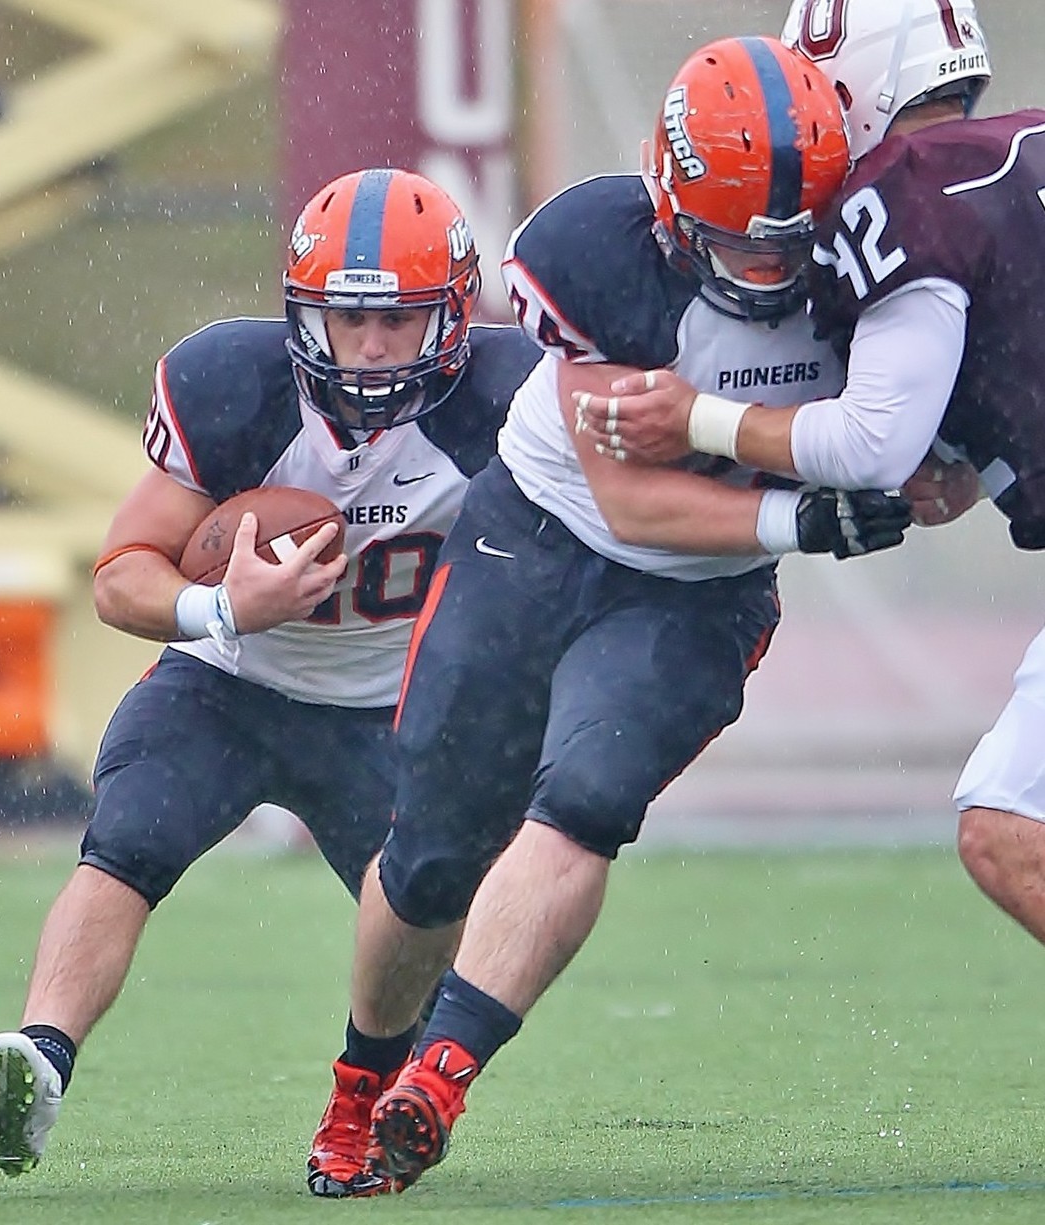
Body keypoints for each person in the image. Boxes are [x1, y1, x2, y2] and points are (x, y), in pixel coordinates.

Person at [303, 37, 913, 1196]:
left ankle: (441, 1071)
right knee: (429, 855)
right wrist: (805, 517)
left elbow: (927, 440)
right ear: (670, 205)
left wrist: (931, 471)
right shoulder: (598, 256)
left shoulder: (881, 261)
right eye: (736, 239)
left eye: (787, 242)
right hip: (536, 539)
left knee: (585, 798)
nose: (767, 271)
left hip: (695, 595)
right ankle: (356, 1080)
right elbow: (631, 500)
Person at [0, 167, 543, 1189]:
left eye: (397, 319)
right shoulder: (236, 386)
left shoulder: (508, 400)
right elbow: (121, 576)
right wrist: (223, 608)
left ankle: (364, 1094)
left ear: (454, 316)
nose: (369, 346)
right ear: (301, 312)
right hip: (227, 684)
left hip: (390, 710)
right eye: (346, 318)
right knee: (124, 847)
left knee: (427, 929)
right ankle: (39, 1057)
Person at [574, 0, 1045, 1034]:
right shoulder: (1025, 146)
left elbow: (870, 443)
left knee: (1008, 825)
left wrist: (698, 418)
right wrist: (981, 463)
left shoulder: (905, 189)